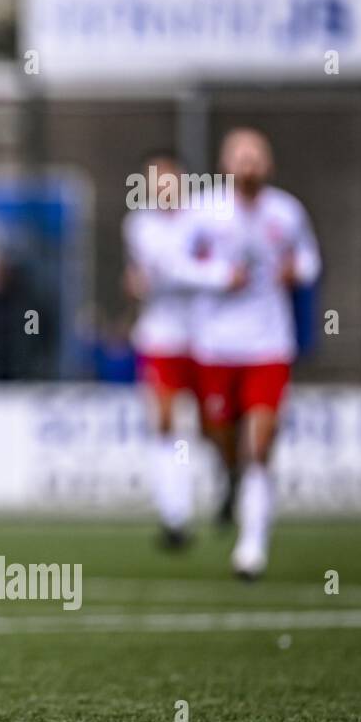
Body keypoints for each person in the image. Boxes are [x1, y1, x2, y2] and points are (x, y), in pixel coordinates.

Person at [188, 128, 321, 579]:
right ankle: (229, 476)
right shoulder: (204, 211)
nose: (248, 165)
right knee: (221, 435)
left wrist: (295, 270)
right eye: (240, 157)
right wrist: (218, 276)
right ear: (226, 164)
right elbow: (178, 266)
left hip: (268, 344)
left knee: (260, 444)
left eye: (256, 157)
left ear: (269, 165)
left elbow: (309, 260)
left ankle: (252, 548)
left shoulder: (287, 211)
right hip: (215, 345)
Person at [122, 151, 212, 546]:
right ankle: (175, 515)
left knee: (215, 426)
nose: (161, 187)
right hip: (160, 336)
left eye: (167, 178)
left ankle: (229, 486)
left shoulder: (207, 219)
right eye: (153, 179)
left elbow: (206, 274)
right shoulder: (139, 225)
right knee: (164, 423)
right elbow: (144, 276)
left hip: (209, 336)